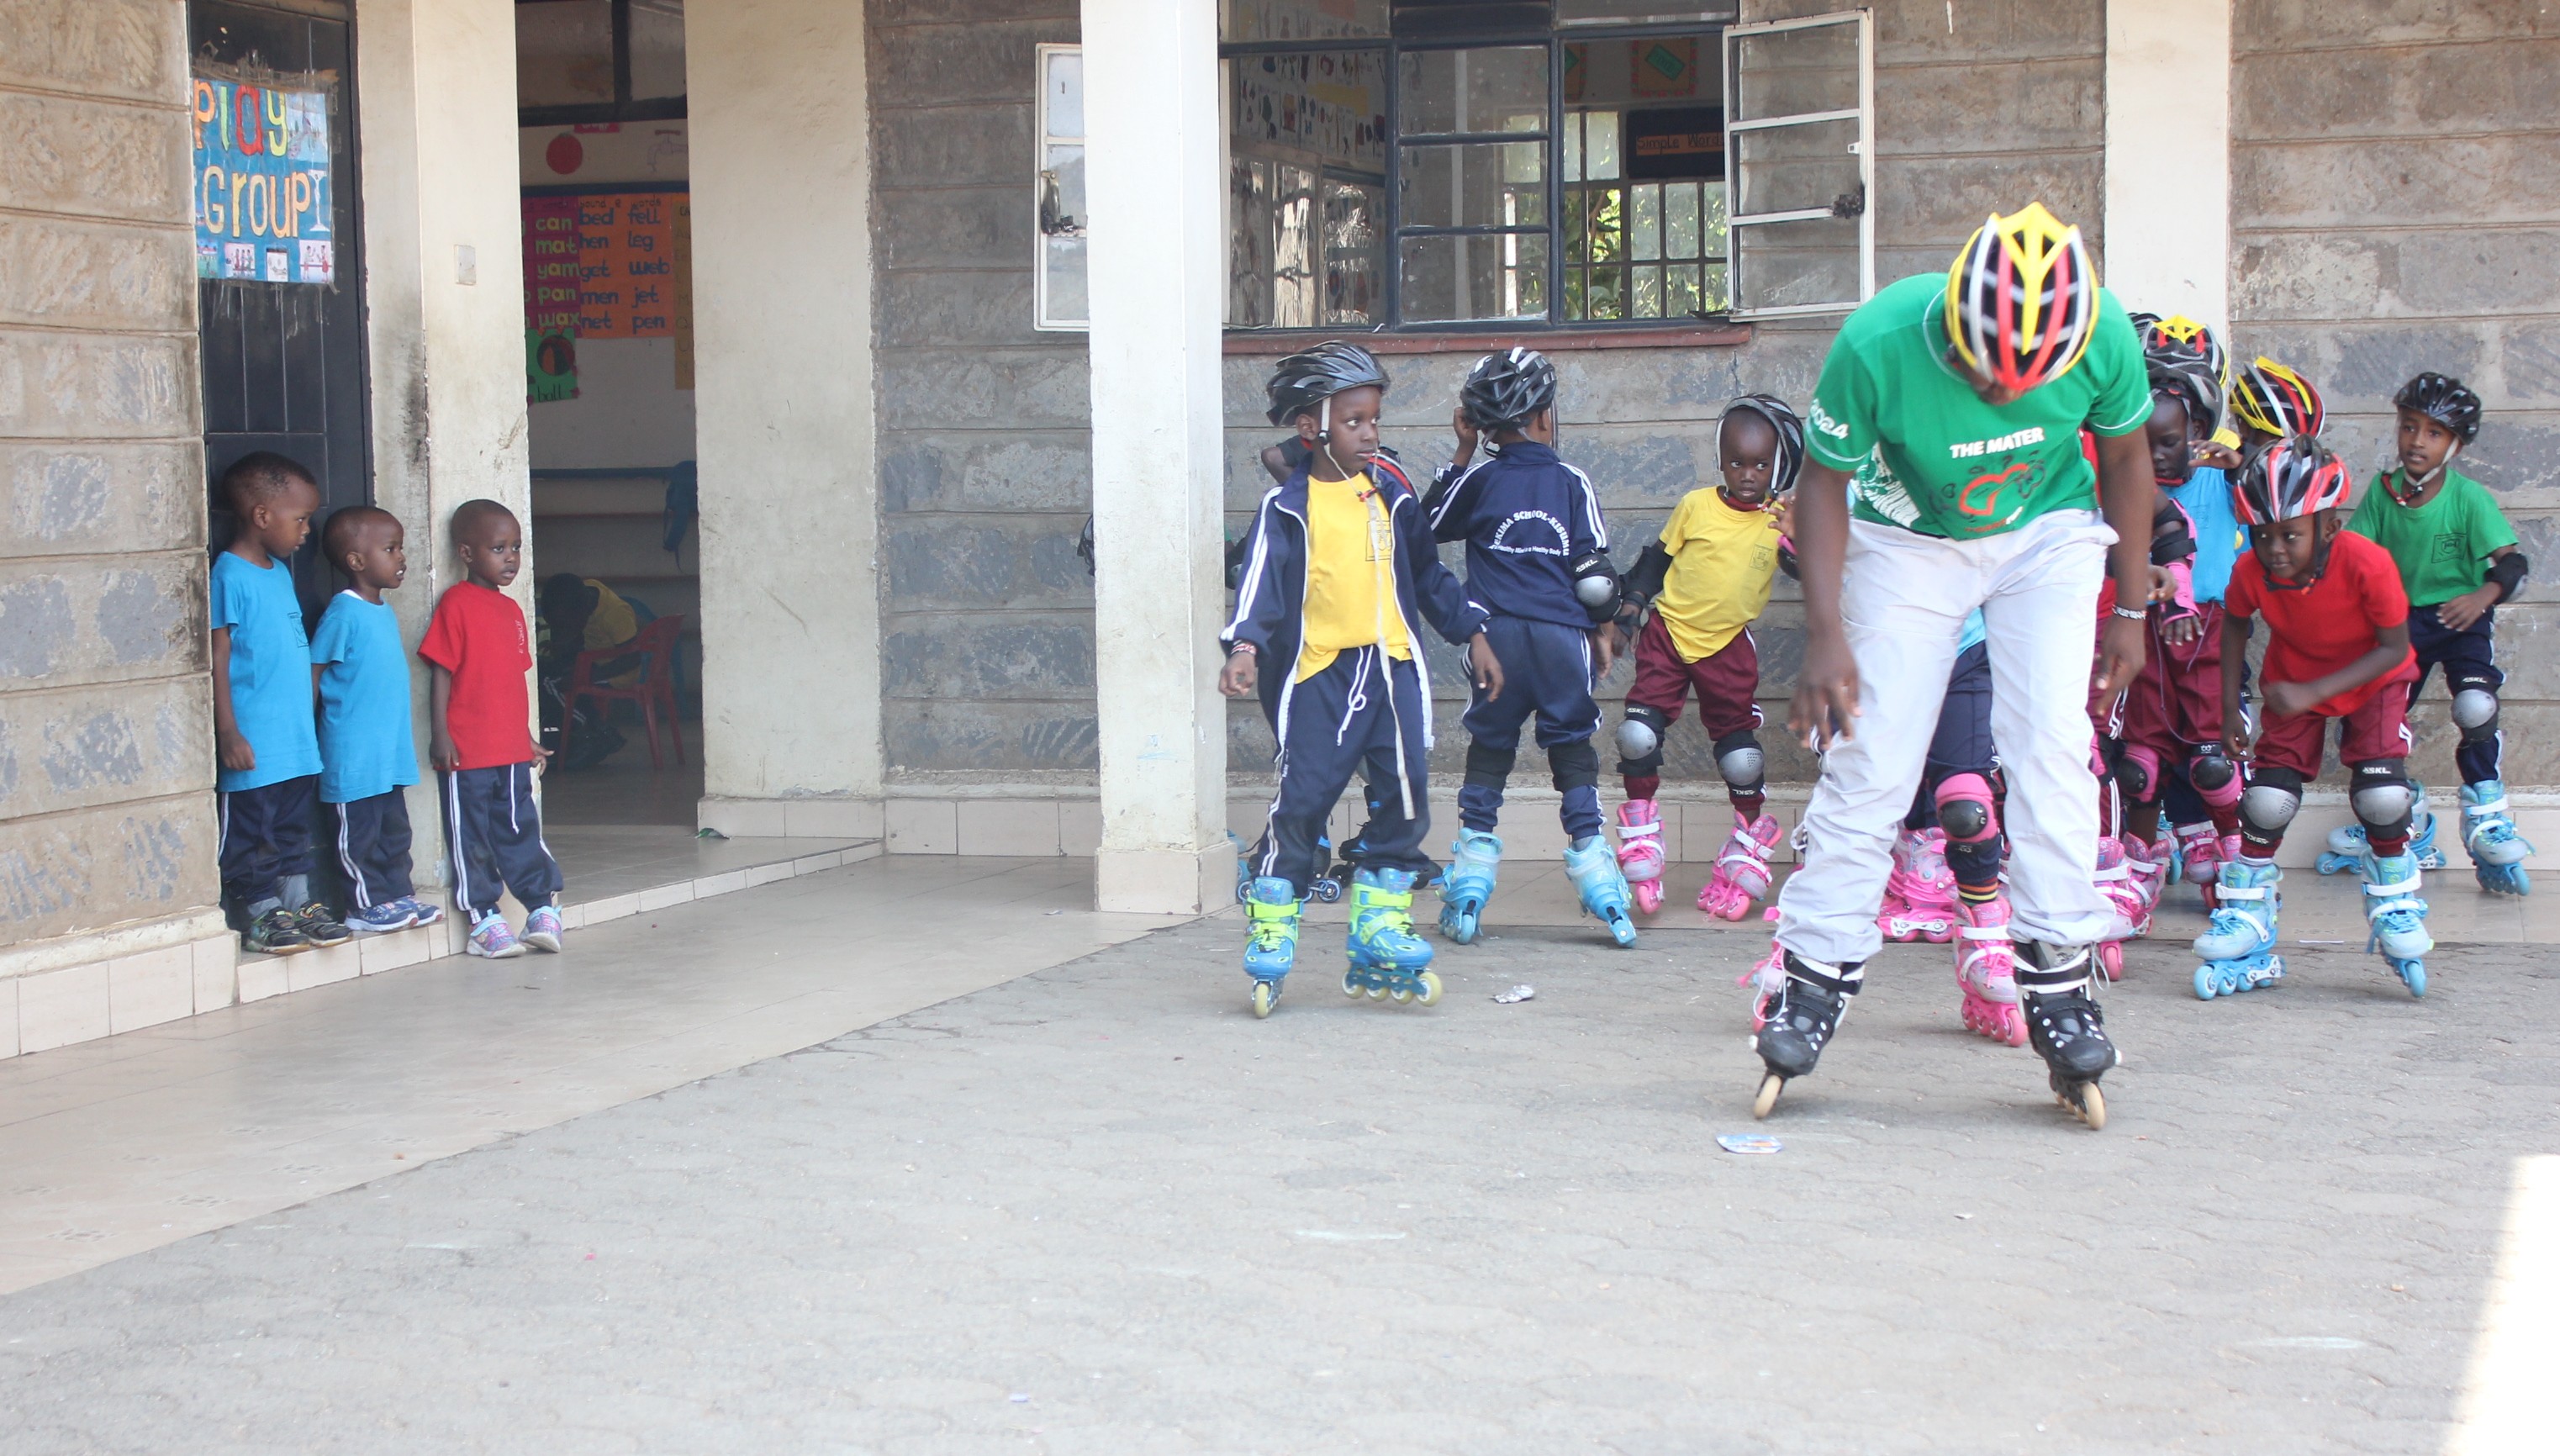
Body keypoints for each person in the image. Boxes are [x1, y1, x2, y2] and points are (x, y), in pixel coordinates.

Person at [1755, 202, 2156, 1130]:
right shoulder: (1881, 340)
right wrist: (1824, 631)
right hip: (1909, 542)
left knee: (2051, 743)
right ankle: (1810, 980)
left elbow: (2128, 456)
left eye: (2032, 379)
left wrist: (2130, 609)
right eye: (1989, 372)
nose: (2009, 394)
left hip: (2046, 537)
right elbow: (1821, 481)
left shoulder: (2101, 333)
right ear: (1956, 320)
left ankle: (2059, 980)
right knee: (1874, 755)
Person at [1220, 343, 1503, 1019]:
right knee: (1304, 799)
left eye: (1373, 419)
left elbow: (1428, 574)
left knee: (1404, 802)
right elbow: (1257, 583)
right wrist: (1245, 647)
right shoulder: (1287, 507)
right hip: (1321, 672)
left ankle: (1378, 921)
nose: (1369, 433)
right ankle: (1273, 921)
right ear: (1312, 427)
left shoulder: (1392, 491)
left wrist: (1472, 631)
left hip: (1392, 667)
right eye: (1353, 421)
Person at [2195, 437, 2432, 999]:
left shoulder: (2367, 564)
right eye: (2260, 534)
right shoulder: (2254, 568)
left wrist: (2312, 692)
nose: (2273, 549)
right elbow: (2233, 624)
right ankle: (2246, 913)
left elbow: (2393, 648)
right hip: (2291, 681)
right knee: (2266, 799)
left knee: (2381, 796)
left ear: (2327, 527)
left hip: (2372, 680)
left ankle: (2395, 903)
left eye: (2288, 534)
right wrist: (2231, 707)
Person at [1423, 347, 1635, 947]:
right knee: (1571, 750)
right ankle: (1599, 879)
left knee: (1491, 748)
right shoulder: (1572, 482)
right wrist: (1602, 631)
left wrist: (1462, 453)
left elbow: (1427, 527)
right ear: (1545, 416)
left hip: (1496, 641)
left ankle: (1467, 886)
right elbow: (1594, 572)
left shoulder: (1481, 480)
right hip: (1561, 642)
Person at [2331, 372, 2535, 896]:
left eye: (2434, 433)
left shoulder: (2469, 499)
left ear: (2456, 445)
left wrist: (2482, 596)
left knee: (2474, 706)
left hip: (2460, 618)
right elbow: (2354, 556)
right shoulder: (2383, 495)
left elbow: (2512, 564)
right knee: (2374, 726)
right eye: (2409, 427)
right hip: (2401, 624)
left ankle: (2486, 813)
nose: (2417, 441)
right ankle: (2404, 815)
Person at [1609, 395, 1801, 921]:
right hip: (1668, 634)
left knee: (1741, 756)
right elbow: (1657, 560)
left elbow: (1806, 571)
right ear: (1720, 460)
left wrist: (1799, 537)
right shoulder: (1695, 505)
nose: (1748, 474)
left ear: (1776, 466)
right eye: (1737, 462)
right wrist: (1629, 611)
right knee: (1637, 735)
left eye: (1760, 465)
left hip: (1728, 645)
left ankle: (1748, 837)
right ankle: (1643, 835)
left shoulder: (1779, 519)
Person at [2108, 326, 2247, 905]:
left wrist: (2238, 462)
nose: (2155, 456)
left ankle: (2240, 858)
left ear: (2195, 432)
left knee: (2210, 764)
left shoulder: (2219, 481)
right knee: (2139, 768)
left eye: (2167, 441)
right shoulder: (2122, 486)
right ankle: (2136, 874)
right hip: (2139, 631)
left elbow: (2278, 494)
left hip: (2207, 636)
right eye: (2143, 444)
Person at [209, 452, 349, 956]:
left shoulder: (279, 573)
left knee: (291, 829)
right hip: (253, 741)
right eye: (301, 518)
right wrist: (228, 730)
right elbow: (219, 654)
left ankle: (297, 902)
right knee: (251, 832)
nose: (307, 530)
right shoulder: (228, 575)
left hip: (294, 740)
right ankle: (258, 911)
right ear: (262, 516)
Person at [421, 500, 564, 959]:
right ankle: (484, 920)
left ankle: (541, 907)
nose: (510, 558)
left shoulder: (512, 612)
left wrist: (524, 738)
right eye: (498, 548)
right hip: (466, 753)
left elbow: (510, 680)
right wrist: (441, 732)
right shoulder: (456, 604)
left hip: (509, 752)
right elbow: (442, 672)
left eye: (516, 548)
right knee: (474, 837)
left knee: (521, 827)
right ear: (466, 553)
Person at [310, 507, 441, 936]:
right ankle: (363, 905)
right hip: (352, 753)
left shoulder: (381, 610)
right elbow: (314, 673)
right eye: (391, 549)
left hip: (386, 752)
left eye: (400, 548)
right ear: (356, 561)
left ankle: (396, 895)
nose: (401, 558)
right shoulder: (343, 613)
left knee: (393, 831)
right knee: (358, 834)